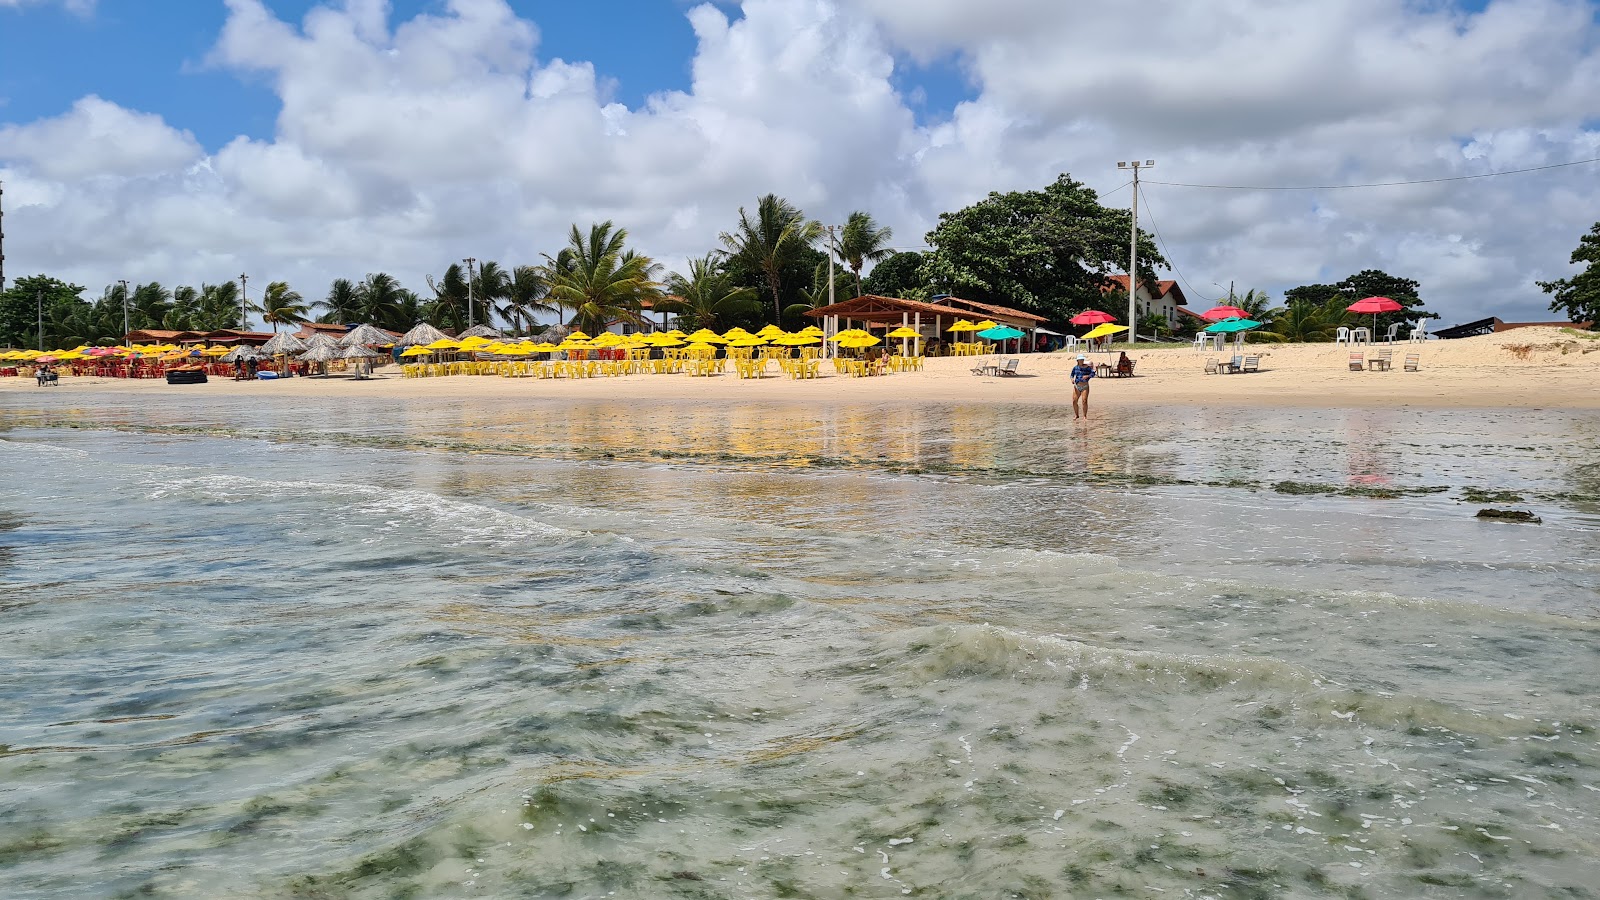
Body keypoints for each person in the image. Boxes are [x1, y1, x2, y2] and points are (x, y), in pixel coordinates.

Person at [1070, 354, 1095, 419]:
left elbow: (1093, 373)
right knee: (1074, 401)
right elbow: (1072, 375)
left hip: (1085, 386)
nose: (1081, 361)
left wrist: (1087, 376)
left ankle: (1084, 416)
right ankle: (1076, 415)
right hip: (1077, 386)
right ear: (1077, 360)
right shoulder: (1075, 368)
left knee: (1084, 401)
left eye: (1082, 360)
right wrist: (1072, 379)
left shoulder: (1087, 368)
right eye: (1080, 360)